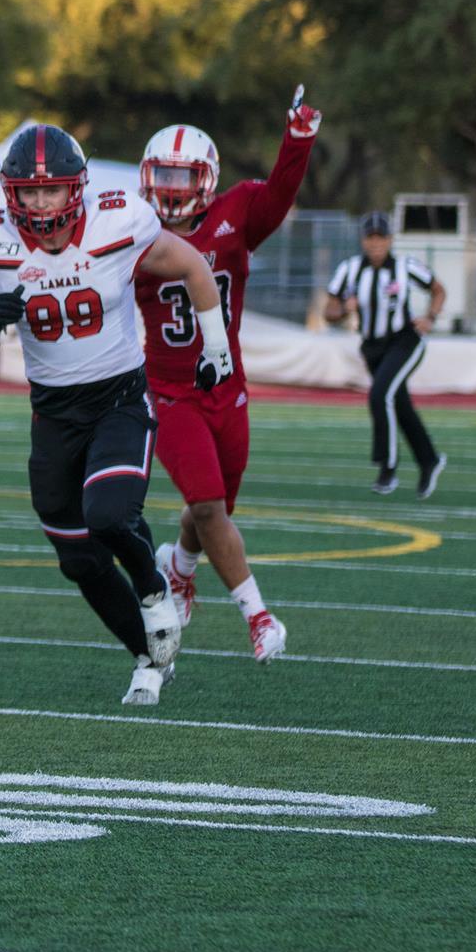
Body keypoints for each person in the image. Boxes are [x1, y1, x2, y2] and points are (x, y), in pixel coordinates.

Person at [0, 123, 232, 707]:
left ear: (76, 190)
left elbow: (193, 267)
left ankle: (155, 586)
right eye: (28, 193)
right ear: (10, 192)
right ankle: (148, 657)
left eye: (50, 191)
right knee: (79, 560)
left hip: (118, 399)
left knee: (108, 512)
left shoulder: (118, 221)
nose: (38, 203)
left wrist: (216, 351)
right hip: (52, 413)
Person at [134, 91, 321, 662]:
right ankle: (259, 617)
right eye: (162, 173)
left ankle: (180, 568)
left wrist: (298, 140)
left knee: (213, 506)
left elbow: (282, 193)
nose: (170, 186)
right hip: (169, 392)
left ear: (207, 178)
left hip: (228, 387)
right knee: (209, 505)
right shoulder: (131, 231)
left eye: (181, 174)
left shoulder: (236, 213)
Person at [325, 212, 448, 497]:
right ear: (363, 240)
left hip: (404, 341)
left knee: (380, 395)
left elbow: (439, 289)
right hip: (372, 347)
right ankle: (429, 460)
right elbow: (328, 310)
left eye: (381, 237)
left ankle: (387, 468)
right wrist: (345, 308)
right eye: (371, 237)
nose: (376, 243)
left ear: (390, 240)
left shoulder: (406, 266)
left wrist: (430, 316)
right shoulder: (350, 269)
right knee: (399, 404)